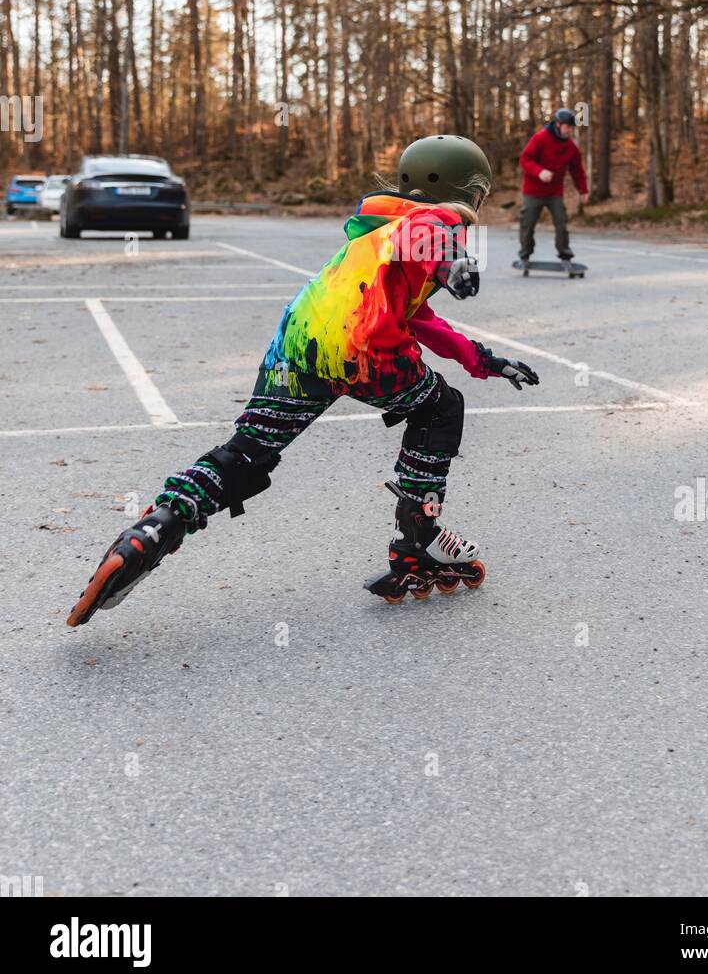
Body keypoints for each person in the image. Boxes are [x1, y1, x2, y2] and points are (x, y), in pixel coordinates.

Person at [67, 134, 540, 623]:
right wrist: (451, 261)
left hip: (296, 346)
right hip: (361, 352)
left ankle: (155, 528)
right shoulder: (431, 220)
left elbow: (421, 319)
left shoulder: (375, 231)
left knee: (247, 452)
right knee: (441, 408)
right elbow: (428, 232)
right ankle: (417, 541)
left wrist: (485, 360)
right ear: (467, 191)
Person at [518, 108, 588, 265]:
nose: (569, 130)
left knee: (561, 222)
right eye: (567, 126)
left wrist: (583, 190)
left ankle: (565, 254)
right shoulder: (540, 138)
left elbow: (577, 170)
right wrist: (539, 171)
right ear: (557, 124)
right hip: (533, 191)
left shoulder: (570, 147)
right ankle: (525, 254)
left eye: (571, 127)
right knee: (527, 223)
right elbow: (525, 159)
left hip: (554, 192)